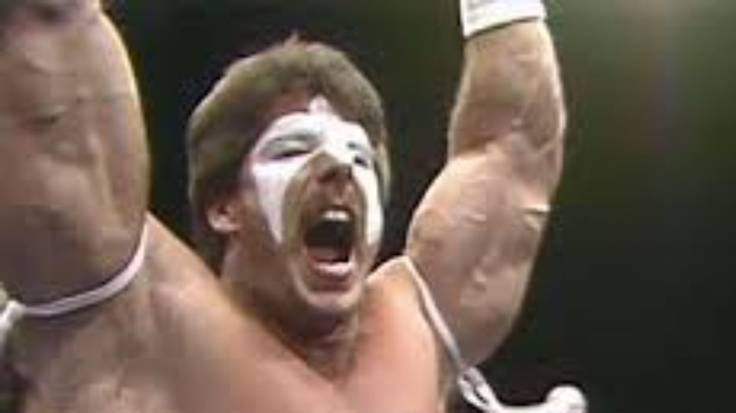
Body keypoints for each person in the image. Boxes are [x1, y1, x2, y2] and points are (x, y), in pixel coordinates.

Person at [0, 0, 578, 412]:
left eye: (359, 157)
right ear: (225, 208)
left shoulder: (416, 329)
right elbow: (46, 29)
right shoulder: (140, 329)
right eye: (294, 148)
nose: (339, 169)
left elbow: (513, 149)